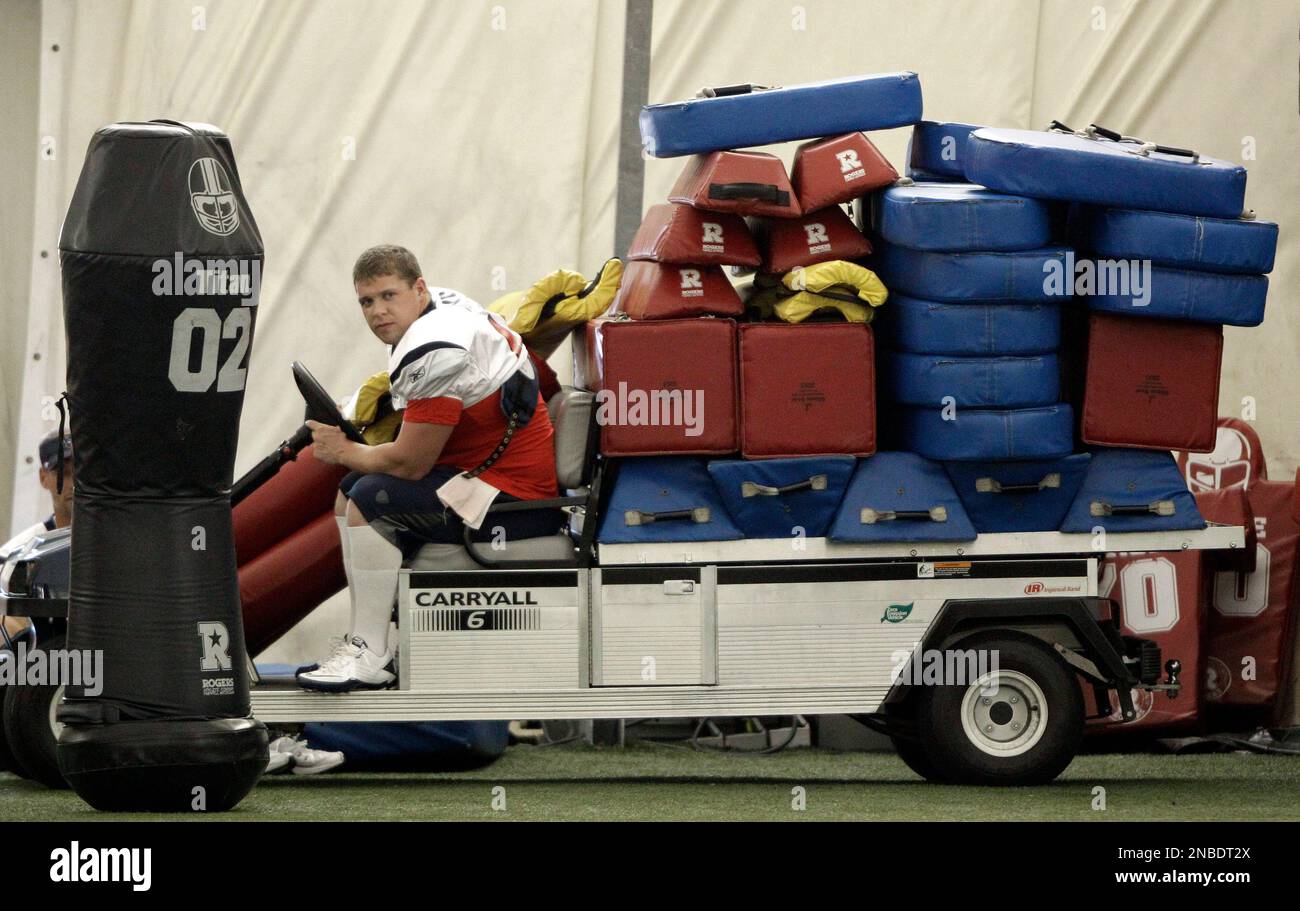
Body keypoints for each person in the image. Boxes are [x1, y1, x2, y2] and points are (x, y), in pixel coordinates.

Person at [298, 245, 563, 691]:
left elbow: (410, 462)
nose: (378, 311)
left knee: (370, 499)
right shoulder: (442, 307)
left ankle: (370, 651)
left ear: (418, 288)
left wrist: (341, 449)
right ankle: (368, 644)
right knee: (351, 489)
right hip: (486, 477)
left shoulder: (433, 347)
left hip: (512, 499)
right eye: (367, 301)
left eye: (388, 296)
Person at [1, 431, 74, 649]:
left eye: (84, 471)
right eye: (64, 473)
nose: (74, 483)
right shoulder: (18, 553)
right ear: (44, 477)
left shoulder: (121, 547)